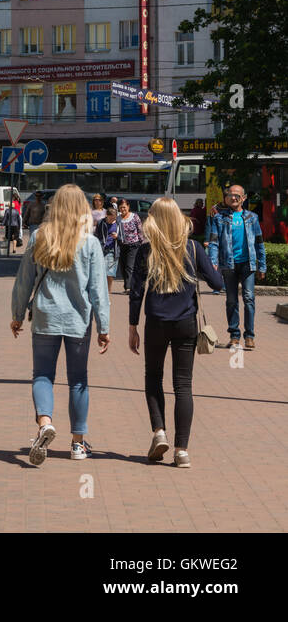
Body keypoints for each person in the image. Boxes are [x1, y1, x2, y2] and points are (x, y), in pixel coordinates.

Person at [11, 184, 110, 466]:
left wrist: (17, 314)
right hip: (78, 320)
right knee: (78, 380)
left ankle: (45, 423)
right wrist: (104, 326)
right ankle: (78, 444)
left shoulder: (39, 236)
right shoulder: (90, 243)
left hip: (44, 316)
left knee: (42, 375)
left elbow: (24, 281)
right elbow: (98, 290)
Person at [129, 198, 223, 469]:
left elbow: (136, 293)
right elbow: (216, 283)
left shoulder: (147, 250)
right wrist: (208, 265)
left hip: (156, 322)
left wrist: (133, 326)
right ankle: (182, 451)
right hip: (185, 323)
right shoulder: (192, 248)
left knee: (153, 377)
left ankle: (159, 432)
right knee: (183, 385)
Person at [205, 184, 266, 350]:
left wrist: (262, 265)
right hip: (228, 264)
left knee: (249, 298)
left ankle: (250, 336)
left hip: (248, 264)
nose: (233, 198)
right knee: (231, 300)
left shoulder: (252, 217)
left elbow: (260, 243)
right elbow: (214, 242)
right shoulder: (219, 218)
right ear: (226, 198)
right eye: (230, 195)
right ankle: (234, 335)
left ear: (244, 198)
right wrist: (213, 261)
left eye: (237, 195)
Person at [117, 201, 145, 295]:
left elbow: (140, 230)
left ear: (128, 207)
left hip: (134, 245)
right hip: (122, 245)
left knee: (129, 266)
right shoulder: (118, 218)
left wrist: (140, 242)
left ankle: (129, 288)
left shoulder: (134, 217)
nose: (122, 209)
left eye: (124, 207)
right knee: (123, 266)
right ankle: (127, 286)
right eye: (120, 207)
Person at [96, 205, 120, 293]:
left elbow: (123, 238)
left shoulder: (118, 224)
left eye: (114, 218)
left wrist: (117, 237)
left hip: (114, 250)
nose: (112, 220)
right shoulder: (101, 223)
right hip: (102, 249)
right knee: (103, 272)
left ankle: (108, 291)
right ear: (106, 215)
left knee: (110, 273)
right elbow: (97, 236)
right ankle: (104, 291)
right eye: (110, 218)